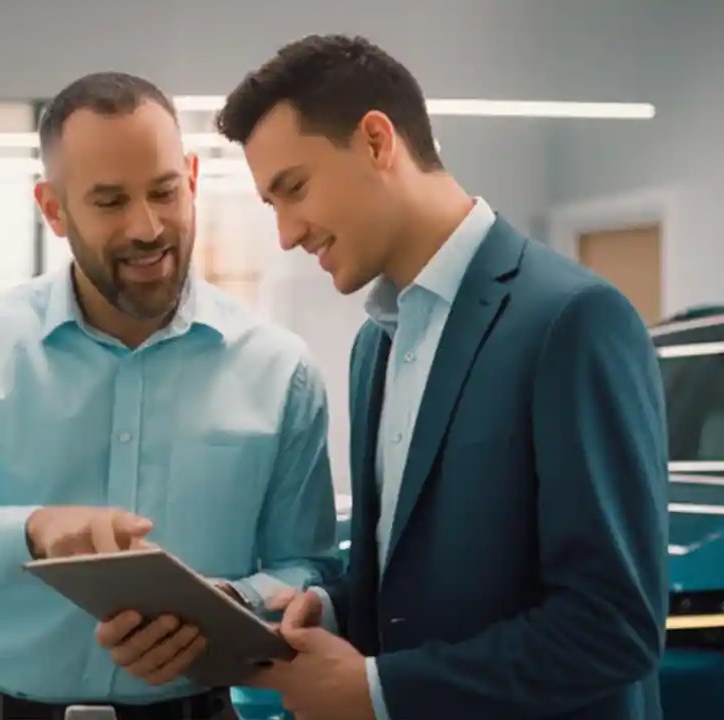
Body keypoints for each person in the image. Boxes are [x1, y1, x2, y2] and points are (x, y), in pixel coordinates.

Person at [0, 71, 340, 720]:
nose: (148, 227)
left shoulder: (279, 369)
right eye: (110, 202)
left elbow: (307, 567)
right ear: (53, 209)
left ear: (192, 179)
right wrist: (32, 532)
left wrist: (236, 602)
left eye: (164, 192)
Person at [214, 34, 670, 720]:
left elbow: (614, 627)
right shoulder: (376, 345)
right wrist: (331, 610)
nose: (285, 233)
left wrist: (379, 692)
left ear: (376, 141)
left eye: (294, 190)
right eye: (270, 205)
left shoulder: (573, 320)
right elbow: (414, 587)